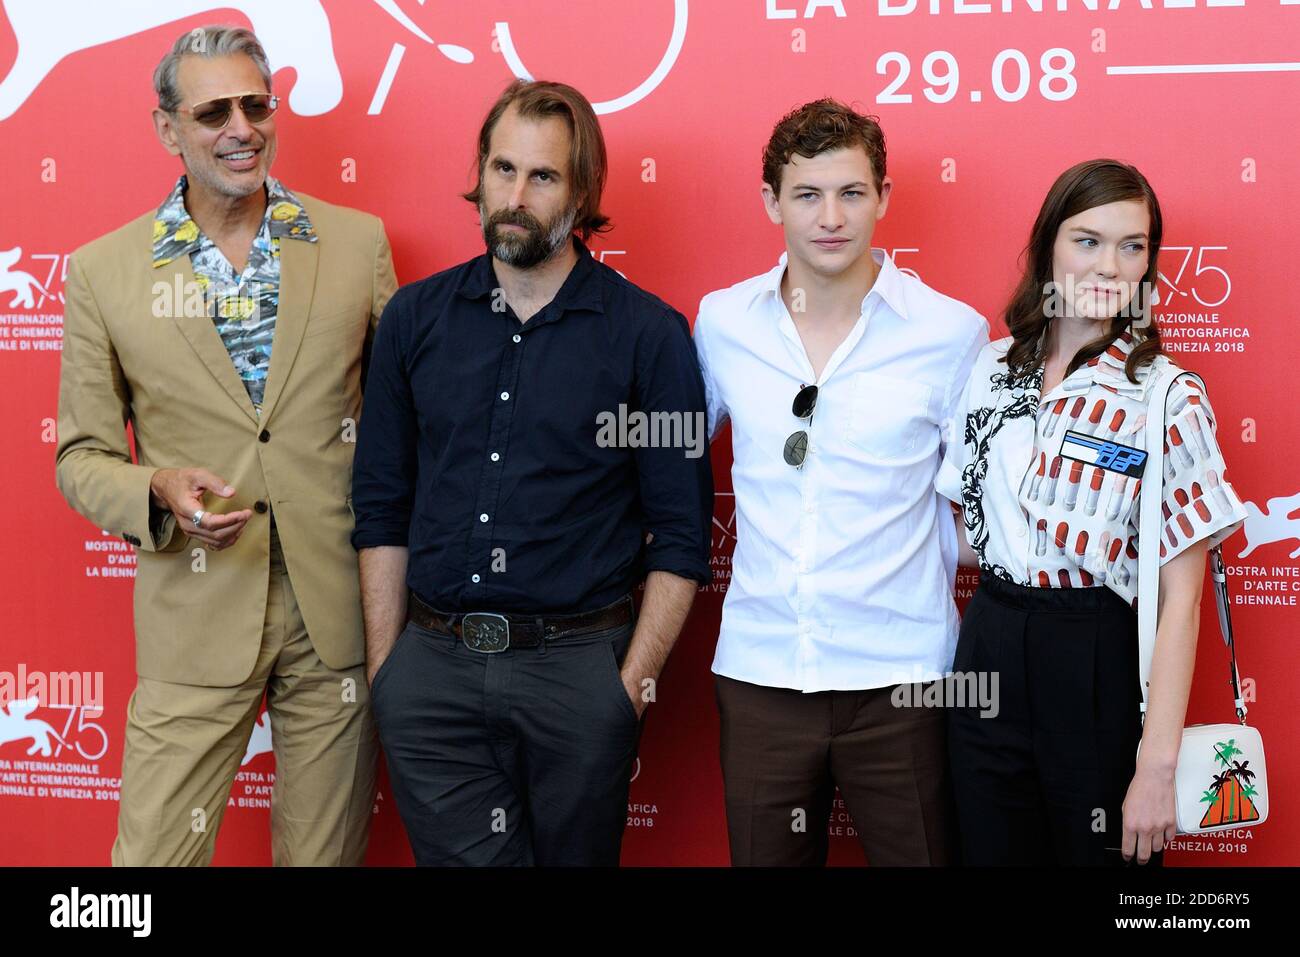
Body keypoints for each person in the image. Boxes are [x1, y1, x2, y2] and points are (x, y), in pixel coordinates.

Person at [54, 25, 397, 865]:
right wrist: (157, 488)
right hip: (197, 608)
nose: (241, 127)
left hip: (338, 615)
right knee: (149, 865)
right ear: (168, 128)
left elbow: (401, 433)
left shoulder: (357, 245)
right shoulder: (104, 271)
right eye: (213, 112)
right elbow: (80, 456)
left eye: (256, 104)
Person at [351, 79, 713, 866]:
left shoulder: (649, 335)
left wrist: (627, 687)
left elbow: (682, 538)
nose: (516, 195)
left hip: (579, 677)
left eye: (543, 176)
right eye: (503, 169)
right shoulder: (414, 319)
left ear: (582, 191)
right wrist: (389, 671)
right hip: (432, 675)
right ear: (479, 174)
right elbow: (380, 507)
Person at [693, 99, 988, 866]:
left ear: (884, 197)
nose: (831, 216)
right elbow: (668, 468)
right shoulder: (722, 323)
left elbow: (981, 513)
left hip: (907, 681)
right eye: (808, 194)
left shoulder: (952, 334)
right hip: (761, 675)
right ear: (771, 202)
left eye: (852, 193)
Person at [936, 158, 1248, 866]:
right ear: (1049, 243)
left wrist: (1157, 763)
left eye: (1132, 245)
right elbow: (964, 524)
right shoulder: (991, 369)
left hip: (1099, 653)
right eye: (1088, 240)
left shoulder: (1167, 395)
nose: (1110, 264)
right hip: (988, 641)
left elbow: (1182, 600)